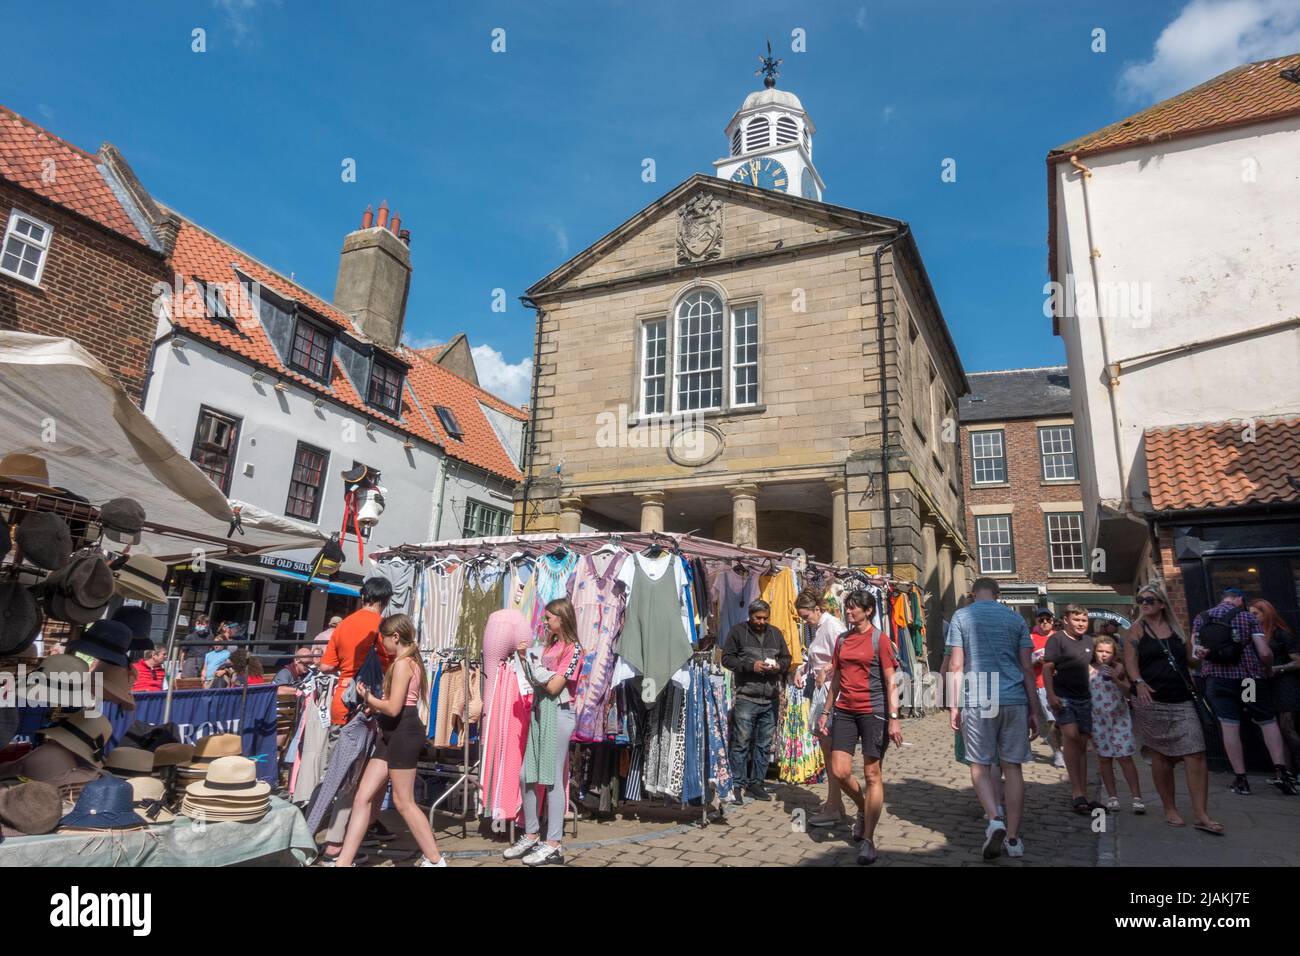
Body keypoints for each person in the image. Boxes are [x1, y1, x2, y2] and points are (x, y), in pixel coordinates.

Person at [335, 614, 445, 868]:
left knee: (403, 801)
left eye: (383, 639)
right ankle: (343, 862)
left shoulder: (404, 664)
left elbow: (394, 708)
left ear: (395, 636)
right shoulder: (409, 661)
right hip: (392, 732)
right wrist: (376, 706)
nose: (381, 644)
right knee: (363, 796)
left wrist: (369, 699)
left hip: (402, 731)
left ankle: (436, 860)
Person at [946, 577, 1038, 860]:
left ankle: (994, 818)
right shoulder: (1015, 620)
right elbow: (1027, 667)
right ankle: (1013, 838)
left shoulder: (961, 616)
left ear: (973, 594)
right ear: (998, 594)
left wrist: (953, 704)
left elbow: (956, 664)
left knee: (980, 765)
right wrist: (1034, 709)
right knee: (1013, 769)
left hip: (978, 699)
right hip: (1013, 699)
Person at [1122, 583, 1223, 834]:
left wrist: (1201, 656)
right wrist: (1138, 682)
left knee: (1196, 754)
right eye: (1140, 599)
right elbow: (1130, 661)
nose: (1144, 603)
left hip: (1182, 698)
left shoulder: (1177, 631)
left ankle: (1200, 813)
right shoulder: (1136, 630)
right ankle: (1170, 807)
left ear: (1161, 603)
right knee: (1161, 756)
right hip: (1151, 701)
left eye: (1149, 599)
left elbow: (1189, 661)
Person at [816, 590, 903, 864]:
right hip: (845, 711)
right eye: (848, 607)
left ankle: (868, 839)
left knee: (872, 774)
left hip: (874, 713)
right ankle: (863, 808)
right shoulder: (842, 640)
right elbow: (839, 678)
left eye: (854, 608)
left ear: (868, 611)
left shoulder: (881, 640)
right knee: (840, 771)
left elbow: (891, 681)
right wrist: (826, 710)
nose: (849, 612)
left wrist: (894, 717)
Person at [316, 577, 395, 863]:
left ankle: (345, 831)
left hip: (341, 702)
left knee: (336, 774)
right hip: (366, 707)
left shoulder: (345, 623)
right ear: (386, 600)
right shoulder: (382, 629)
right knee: (352, 780)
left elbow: (325, 665)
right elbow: (390, 664)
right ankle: (335, 845)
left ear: (363, 596)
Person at [501, 598, 584, 866]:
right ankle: (532, 834)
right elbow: (540, 680)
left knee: (551, 779)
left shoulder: (574, 649)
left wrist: (531, 665)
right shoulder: (551, 645)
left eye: (549, 618)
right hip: (539, 713)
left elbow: (554, 687)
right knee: (527, 775)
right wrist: (531, 665)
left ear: (562, 617)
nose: (545, 622)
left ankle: (554, 843)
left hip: (558, 714)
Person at [1192, 587, 1297, 796]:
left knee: (1230, 725)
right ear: (1239, 599)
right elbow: (1265, 653)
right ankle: (1282, 772)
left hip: (1218, 680)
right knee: (1266, 721)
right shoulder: (1247, 617)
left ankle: (1241, 779)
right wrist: (1266, 668)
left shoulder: (1202, 617)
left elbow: (1195, 653)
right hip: (1247, 679)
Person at [721, 598, 791, 804]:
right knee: (741, 742)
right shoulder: (737, 632)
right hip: (746, 697)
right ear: (750, 616)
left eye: (764, 618)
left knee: (763, 744)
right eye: (757, 618)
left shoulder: (775, 634)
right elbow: (727, 659)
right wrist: (751, 666)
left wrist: (778, 666)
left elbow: (787, 659)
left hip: (770, 698)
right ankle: (737, 784)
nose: (761, 622)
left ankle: (756, 783)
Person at [796, 589, 848, 827]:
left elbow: (844, 657)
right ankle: (834, 803)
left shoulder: (832, 626)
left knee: (829, 751)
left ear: (817, 609)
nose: (806, 621)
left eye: (807, 616)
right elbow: (822, 656)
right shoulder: (819, 627)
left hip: (830, 693)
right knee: (826, 750)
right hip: (821, 689)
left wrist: (826, 669)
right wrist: (806, 668)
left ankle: (834, 806)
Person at [1043, 604, 1101, 814]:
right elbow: (1048, 668)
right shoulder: (1057, 640)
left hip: (1084, 697)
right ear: (1066, 620)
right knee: (1071, 735)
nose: (1081, 624)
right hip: (1063, 697)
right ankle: (1077, 790)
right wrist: (1051, 695)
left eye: (1084, 620)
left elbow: (1096, 663)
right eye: (1077, 620)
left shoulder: (1088, 641)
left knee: (1083, 743)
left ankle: (1082, 791)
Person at [1089, 636, 1145, 813]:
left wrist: (1116, 679)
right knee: (1105, 759)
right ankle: (1112, 796)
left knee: (1125, 757)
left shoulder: (1119, 669)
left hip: (1119, 719)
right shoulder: (1088, 670)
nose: (1103, 655)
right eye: (1100, 651)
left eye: (1108, 652)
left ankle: (1136, 797)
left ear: (1114, 655)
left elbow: (1129, 693)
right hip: (1098, 721)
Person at [1253, 599, 1300, 772]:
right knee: (1275, 731)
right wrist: (1247, 697)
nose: (1253, 618)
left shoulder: (1282, 634)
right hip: (1265, 686)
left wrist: (1276, 669)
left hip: (1285, 685)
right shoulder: (1254, 637)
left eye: (1255, 614)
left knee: (1287, 728)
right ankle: (1285, 772)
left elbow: (1297, 662)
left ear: (1267, 614)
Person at [1029, 607, 1066, 769]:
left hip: (1062, 684)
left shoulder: (1060, 637)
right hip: (1042, 684)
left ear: (1052, 621)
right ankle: (1058, 753)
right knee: (1052, 720)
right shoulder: (1030, 638)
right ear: (1036, 621)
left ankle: (1065, 750)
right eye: (1041, 620)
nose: (1045, 623)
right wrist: (1036, 661)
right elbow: (1024, 664)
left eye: (1048, 620)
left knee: (1064, 721)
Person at [181, 614, 210, 679]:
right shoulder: (190, 637)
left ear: (207, 625)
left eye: (202, 624)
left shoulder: (210, 636)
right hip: (191, 663)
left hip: (204, 663)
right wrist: (180, 668)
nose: (199, 625)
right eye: (198, 623)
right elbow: (183, 653)